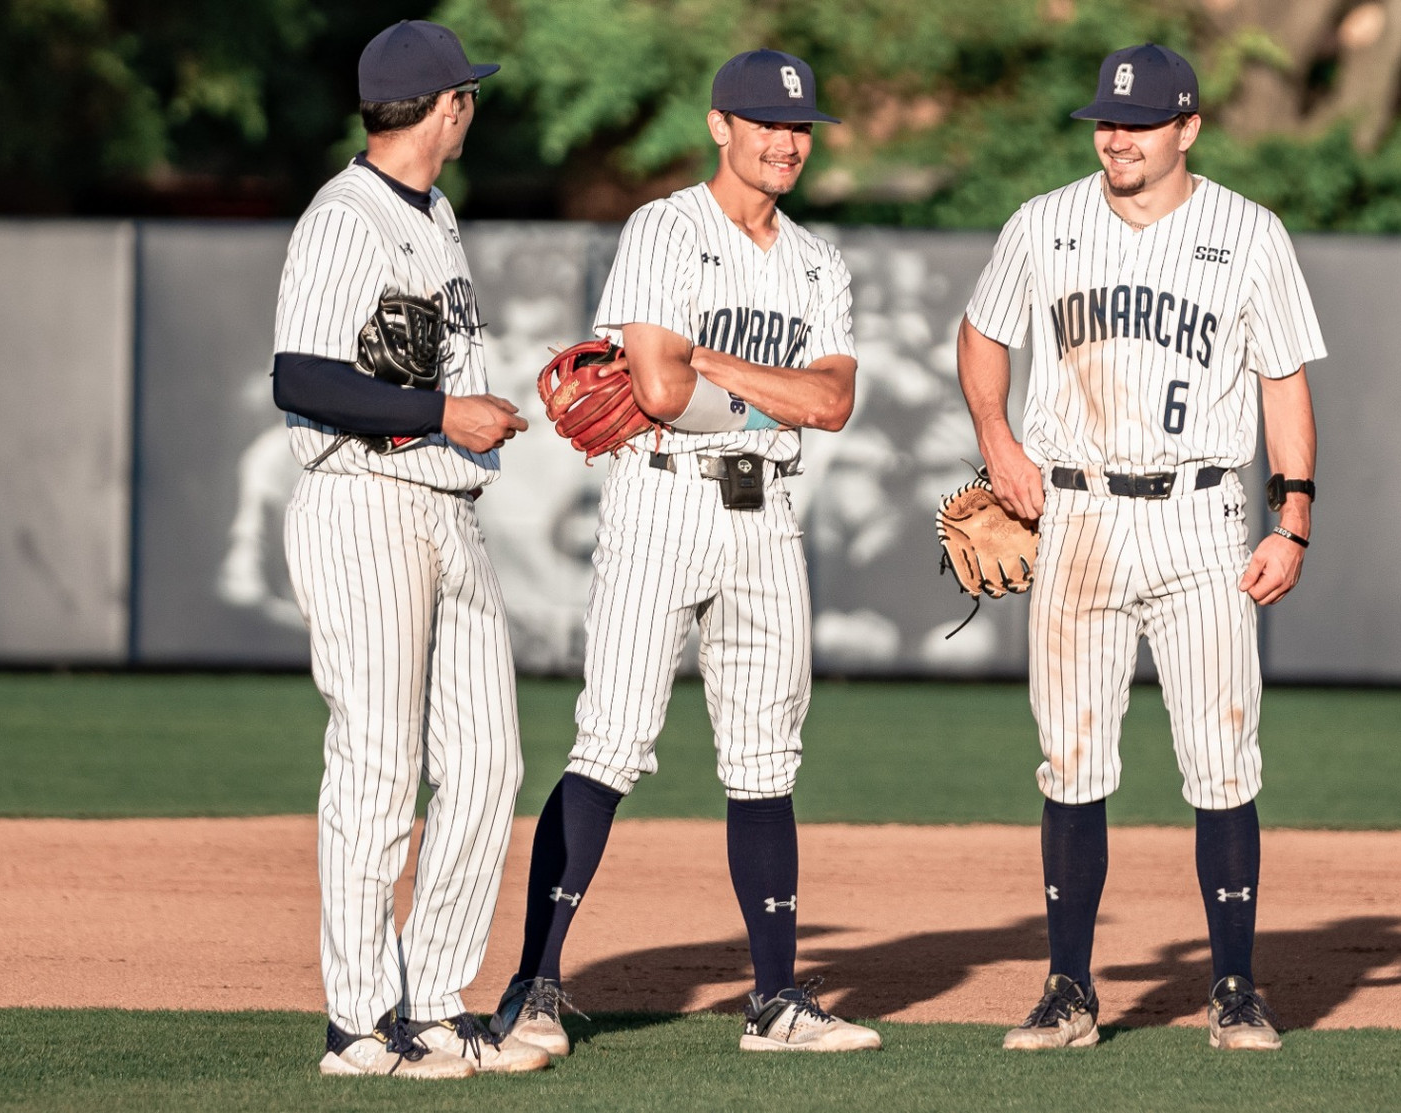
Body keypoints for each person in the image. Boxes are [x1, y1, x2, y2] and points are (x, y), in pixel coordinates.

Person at [489, 49, 880, 1055]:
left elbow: (832, 402)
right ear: (721, 127)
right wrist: (757, 386)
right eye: (765, 123)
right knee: (611, 741)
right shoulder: (665, 227)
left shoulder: (816, 261)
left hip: (766, 512)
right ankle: (531, 987)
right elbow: (656, 393)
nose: (787, 141)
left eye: (800, 127)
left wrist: (708, 359)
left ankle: (776, 1001)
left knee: (765, 759)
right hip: (662, 504)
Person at [955, 42, 1325, 1052]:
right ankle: (1069, 989)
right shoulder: (1045, 223)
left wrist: (1291, 520)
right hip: (1073, 514)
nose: (1115, 136)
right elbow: (982, 335)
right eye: (1106, 122)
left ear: (1188, 129)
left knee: (1220, 756)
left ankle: (1237, 986)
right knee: (1070, 758)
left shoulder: (1248, 233)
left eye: (1138, 121)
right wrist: (997, 440)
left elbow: (1283, 380)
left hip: (1200, 514)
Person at [270, 19, 544, 1079]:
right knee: (380, 767)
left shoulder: (437, 214)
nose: (471, 107)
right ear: (449, 108)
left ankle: (430, 1005)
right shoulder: (342, 218)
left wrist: (458, 420)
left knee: (487, 763)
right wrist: (442, 412)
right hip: (364, 501)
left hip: (444, 505)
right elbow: (300, 377)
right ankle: (356, 1022)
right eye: (467, 95)